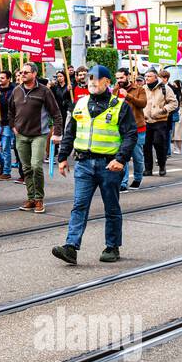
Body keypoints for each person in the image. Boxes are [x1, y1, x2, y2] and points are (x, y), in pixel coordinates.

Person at [52, 66, 137, 265]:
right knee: (79, 206)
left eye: (97, 79)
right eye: (90, 78)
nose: (92, 82)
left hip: (109, 165)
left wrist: (121, 159)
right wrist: (62, 157)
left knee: (111, 207)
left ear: (108, 82)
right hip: (83, 164)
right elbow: (70, 132)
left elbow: (130, 135)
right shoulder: (80, 103)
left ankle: (112, 246)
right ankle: (71, 247)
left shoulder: (120, 106)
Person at [8, 61, 63, 213]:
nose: (22, 75)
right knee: (26, 168)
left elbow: (56, 113)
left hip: (39, 135)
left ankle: (39, 199)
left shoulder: (44, 91)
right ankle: (31, 198)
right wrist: (13, 126)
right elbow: (10, 111)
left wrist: (57, 133)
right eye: (21, 73)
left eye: (26, 72)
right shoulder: (17, 91)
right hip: (21, 135)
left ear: (34, 74)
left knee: (36, 166)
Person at [115, 68, 147, 191]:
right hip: (121, 128)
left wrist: (127, 96)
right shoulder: (115, 90)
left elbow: (142, 103)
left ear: (128, 76)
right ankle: (123, 182)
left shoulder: (139, 89)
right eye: (117, 78)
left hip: (137, 127)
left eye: (121, 78)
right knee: (123, 155)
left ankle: (138, 178)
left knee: (137, 156)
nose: (119, 80)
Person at [142, 69, 177, 177]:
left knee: (159, 144)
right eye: (145, 76)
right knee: (146, 146)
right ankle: (148, 169)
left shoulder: (165, 88)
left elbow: (174, 103)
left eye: (149, 76)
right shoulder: (143, 89)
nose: (146, 78)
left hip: (160, 121)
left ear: (156, 77)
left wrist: (164, 110)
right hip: (146, 120)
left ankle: (162, 165)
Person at [0, 69, 18, 182]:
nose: (0, 80)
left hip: (7, 123)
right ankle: (3, 163)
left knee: (6, 148)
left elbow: (10, 106)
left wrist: (0, 97)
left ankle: (7, 172)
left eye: (2, 78)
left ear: (8, 79)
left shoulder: (13, 91)